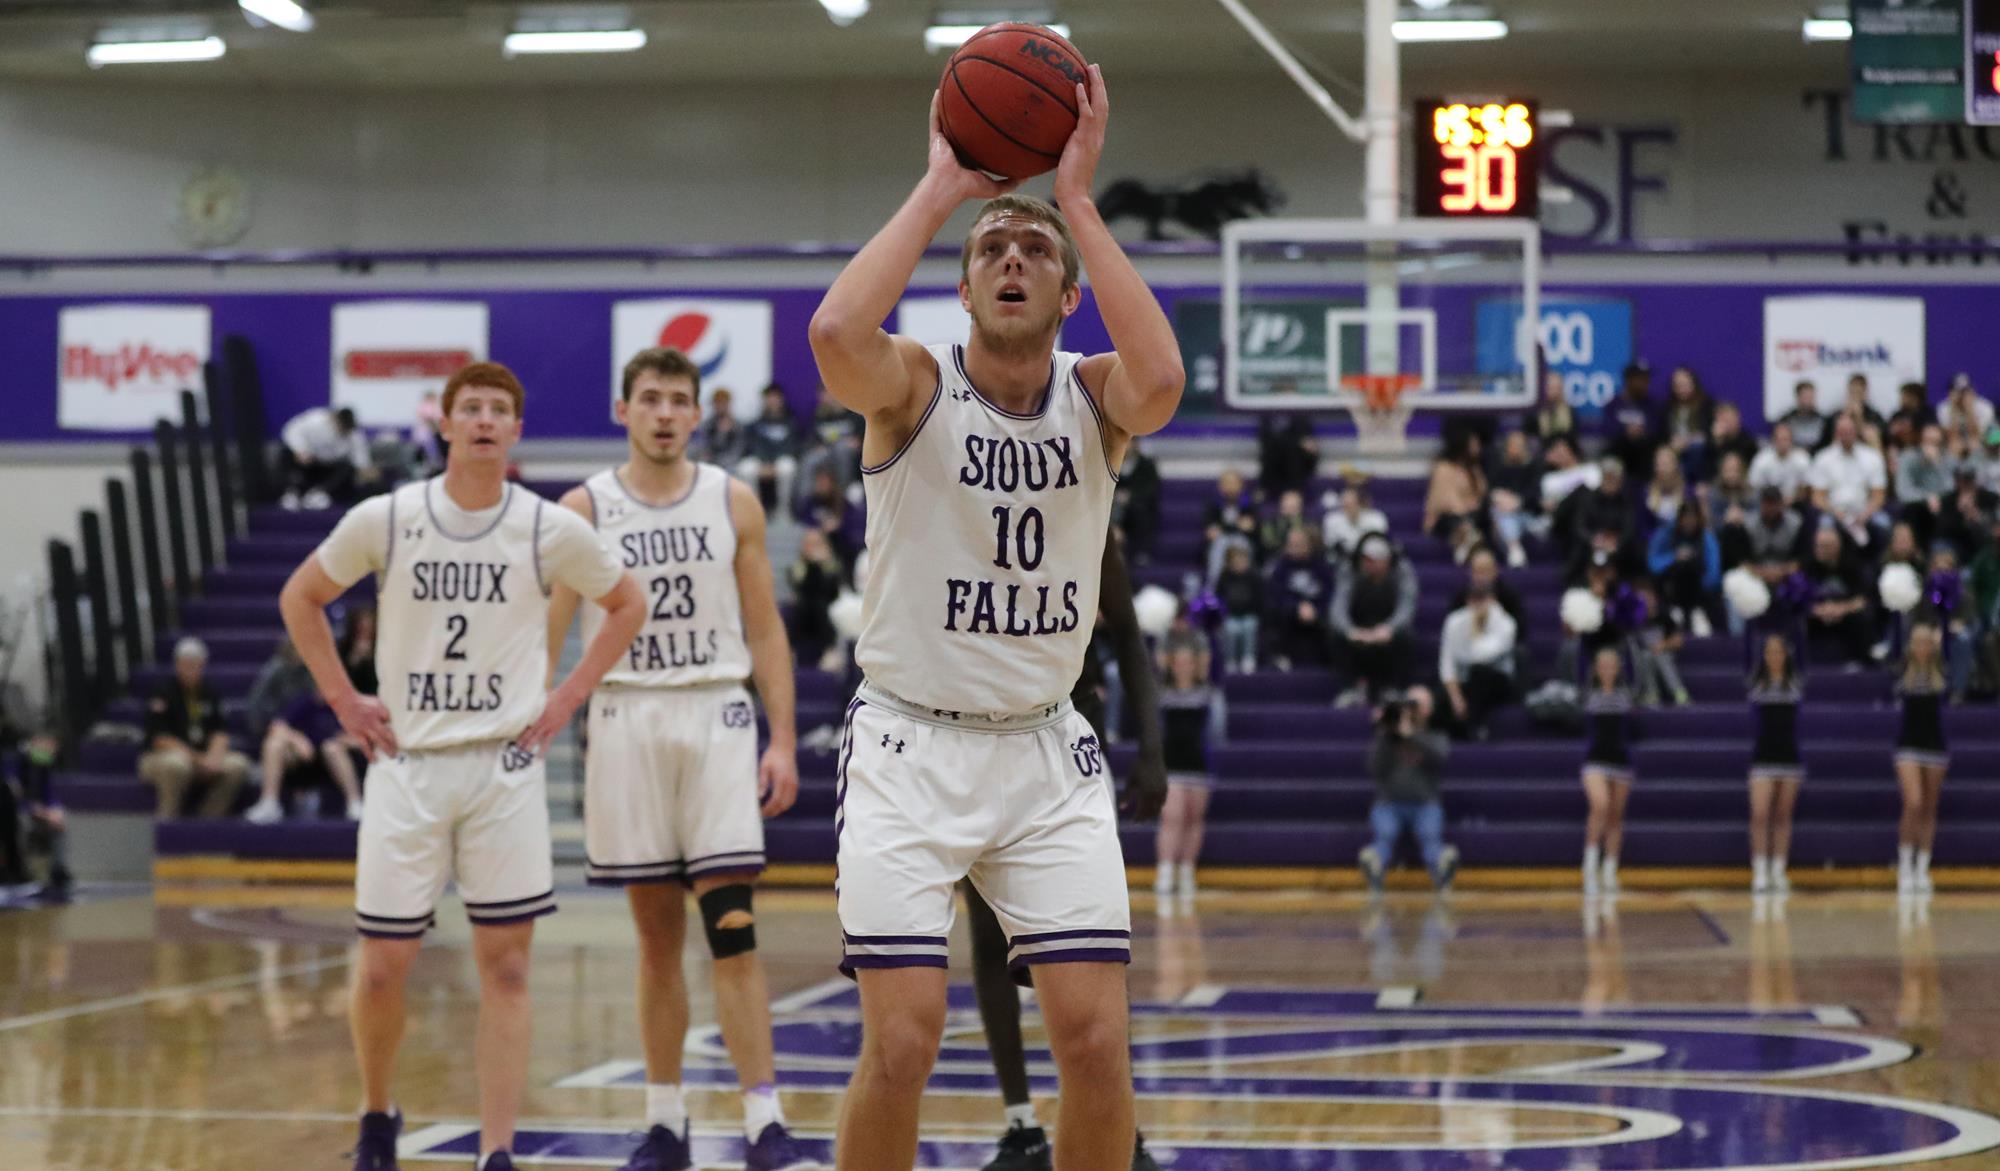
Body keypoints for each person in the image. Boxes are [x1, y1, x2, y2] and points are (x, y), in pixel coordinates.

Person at [806, 61, 1183, 1171]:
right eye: (990, 252)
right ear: (962, 290)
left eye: (1034, 255)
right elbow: (834, 335)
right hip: (906, 747)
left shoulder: (1095, 394)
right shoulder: (914, 385)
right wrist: (938, 193)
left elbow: (1163, 380)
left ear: (1069, 295)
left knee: (1097, 1043)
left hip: (1040, 751)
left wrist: (1075, 199)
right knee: (902, 1045)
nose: (1009, 260)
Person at [278, 361, 646, 1171]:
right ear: (444, 425)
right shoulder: (390, 515)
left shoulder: (548, 526)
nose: (483, 419)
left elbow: (628, 602)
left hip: (501, 768)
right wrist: (343, 699)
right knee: (381, 968)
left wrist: (568, 695)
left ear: (517, 430)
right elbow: (300, 597)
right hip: (407, 762)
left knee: (507, 965)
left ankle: (497, 1148)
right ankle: (378, 1113)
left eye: (498, 410)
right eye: (469, 408)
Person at [546, 346, 815, 1171]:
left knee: (732, 927)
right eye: (651, 398)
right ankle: (666, 1120)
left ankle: (764, 1117)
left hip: (715, 714)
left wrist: (781, 736)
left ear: (698, 415)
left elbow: (766, 627)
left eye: (679, 400)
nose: (665, 412)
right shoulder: (582, 508)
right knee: (656, 938)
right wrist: (523, 723)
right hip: (624, 714)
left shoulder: (731, 500)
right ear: (623, 410)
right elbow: (547, 633)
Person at [963, 527, 1165, 1171]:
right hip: (971, 739)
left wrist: (1153, 750)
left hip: (1066, 736)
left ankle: (1119, 1127)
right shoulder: (959, 500)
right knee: (990, 940)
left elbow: (1128, 633)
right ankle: (1021, 1125)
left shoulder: (1083, 501)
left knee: (1095, 950)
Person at [1357, 686, 1458, 894]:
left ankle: (1441, 866)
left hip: (1425, 804)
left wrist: (1411, 735)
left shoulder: (1435, 737)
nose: (1412, 710)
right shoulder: (1387, 739)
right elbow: (1374, 768)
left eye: (1418, 705)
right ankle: (1374, 863)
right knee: (1385, 834)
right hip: (1389, 803)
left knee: (1430, 837)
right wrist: (1384, 732)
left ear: (1429, 710)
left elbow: (1439, 758)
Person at [137, 636, 250, 819]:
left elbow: (220, 731)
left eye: (195, 664)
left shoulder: (210, 692)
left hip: (202, 756)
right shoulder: (163, 692)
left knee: (238, 765)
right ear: (177, 664)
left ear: (203, 665)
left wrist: (214, 757)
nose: (191, 669)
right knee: (177, 765)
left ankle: (208, 820)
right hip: (163, 757)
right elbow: (160, 738)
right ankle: (168, 819)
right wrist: (198, 759)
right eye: (186, 664)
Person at [1153, 645, 1219, 899]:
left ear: (1195, 665)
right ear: (1172, 665)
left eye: (1188, 662)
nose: (1183, 666)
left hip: (1198, 763)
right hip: (1171, 763)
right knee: (1172, 818)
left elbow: (1216, 730)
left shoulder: (1207, 694)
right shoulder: (1163, 694)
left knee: (1194, 818)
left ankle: (1187, 871)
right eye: (1178, 662)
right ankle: (1165, 871)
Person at [1893, 621, 1950, 895]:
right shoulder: (1903, 670)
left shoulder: (1941, 671)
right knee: (1913, 802)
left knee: (1929, 807)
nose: (1921, 647)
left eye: (1927, 641)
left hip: (1935, 746)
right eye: (1917, 642)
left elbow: (1947, 627)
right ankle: (1905, 864)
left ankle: (1922, 868)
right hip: (1908, 746)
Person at [1329, 532, 1417, 705]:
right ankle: (1349, 687)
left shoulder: (1402, 570)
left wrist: (1389, 628)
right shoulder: (1350, 569)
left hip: (1387, 629)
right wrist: (1350, 631)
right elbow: (1338, 606)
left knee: (1406, 635)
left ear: (1386, 561)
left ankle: (1393, 688)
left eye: (1373, 561)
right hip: (1358, 627)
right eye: (1365, 560)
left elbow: (1407, 607)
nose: (1368, 565)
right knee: (1334, 633)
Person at [1747, 633, 1804, 895]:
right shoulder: (1756, 683)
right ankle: (1760, 869)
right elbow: (1748, 647)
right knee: (1760, 815)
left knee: (1782, 815)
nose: (1774, 656)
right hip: (1762, 757)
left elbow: (1803, 649)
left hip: (1789, 756)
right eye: (1769, 651)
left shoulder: (1795, 682)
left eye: (1779, 651)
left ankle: (1778, 870)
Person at [1580, 646, 1635, 895]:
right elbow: (1581, 657)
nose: (1607, 670)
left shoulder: (1626, 694)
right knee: (1600, 805)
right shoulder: (1589, 694)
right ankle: (1590, 864)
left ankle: (1610, 868)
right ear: (1595, 669)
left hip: (1621, 761)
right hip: (1595, 760)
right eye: (1602, 666)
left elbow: (1636, 669)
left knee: (1615, 816)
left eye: (1611, 666)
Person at [1437, 583, 1517, 740]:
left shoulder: (1506, 624)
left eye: (1483, 599)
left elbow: (1480, 655)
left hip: (1497, 681)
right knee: (1440, 695)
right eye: (1474, 599)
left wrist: (1475, 628)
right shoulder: (1454, 621)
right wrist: (1455, 696)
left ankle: (1475, 729)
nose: (1478, 604)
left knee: (1480, 673)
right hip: (1465, 680)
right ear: (1467, 600)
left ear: (1493, 600)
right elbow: (1446, 662)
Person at [1810, 414, 1889, 547]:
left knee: (1884, 524)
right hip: (1834, 512)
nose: (1846, 435)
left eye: (1849, 431)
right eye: (1842, 432)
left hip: (1864, 511)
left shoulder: (1872, 457)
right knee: (1823, 526)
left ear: (1856, 432)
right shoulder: (1823, 458)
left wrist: (1865, 515)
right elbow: (1818, 497)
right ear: (1836, 433)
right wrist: (1837, 514)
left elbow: (1878, 496)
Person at [1263, 527, 1334, 671]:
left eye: (1299, 544)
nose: (1294, 548)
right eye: (1291, 544)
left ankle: (1328, 664)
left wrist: (1315, 608)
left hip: (1317, 611)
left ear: (1309, 545)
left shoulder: (1321, 565)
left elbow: (1329, 592)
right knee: (1277, 613)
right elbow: (1278, 593)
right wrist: (1298, 606)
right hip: (1291, 611)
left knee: (1331, 621)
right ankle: (1280, 657)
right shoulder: (1281, 566)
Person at [279, 405, 374, 510]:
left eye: (346, 430)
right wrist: (300, 450)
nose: (343, 432)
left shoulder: (354, 436)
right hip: (307, 463)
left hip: (326, 471)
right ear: (335, 420)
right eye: (341, 427)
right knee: (286, 453)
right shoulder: (315, 420)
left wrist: (365, 470)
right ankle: (292, 492)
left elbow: (361, 460)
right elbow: (291, 430)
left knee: (346, 467)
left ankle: (318, 494)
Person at [1423, 429, 1487, 565]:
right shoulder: (1443, 468)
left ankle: (1466, 545)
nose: (1478, 447)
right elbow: (1444, 500)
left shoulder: (1474, 469)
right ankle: (1467, 539)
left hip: (1471, 515)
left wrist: (1473, 508)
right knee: (1458, 520)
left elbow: (1482, 493)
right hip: (1446, 517)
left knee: (1481, 517)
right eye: (1474, 444)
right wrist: (1465, 512)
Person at [739, 384, 801, 511]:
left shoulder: (791, 422)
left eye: (775, 397)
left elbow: (793, 447)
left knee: (787, 467)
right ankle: (754, 509)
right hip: (762, 462)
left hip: (780, 461)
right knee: (746, 468)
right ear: (764, 400)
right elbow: (753, 445)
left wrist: (773, 465)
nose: (772, 401)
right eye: (769, 397)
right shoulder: (757, 423)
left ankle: (784, 511)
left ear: (781, 400)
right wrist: (764, 463)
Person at [1214, 543, 1263, 675]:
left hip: (1249, 615)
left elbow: (1260, 599)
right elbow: (1218, 599)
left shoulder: (1254, 577)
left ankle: (1249, 658)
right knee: (1231, 629)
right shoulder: (1224, 578)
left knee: (1250, 626)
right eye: (1237, 562)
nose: (1240, 565)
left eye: (1243, 561)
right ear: (1230, 563)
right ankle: (1230, 660)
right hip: (1230, 616)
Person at [1114, 437, 1161, 565]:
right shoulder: (1112, 462)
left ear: (1135, 444)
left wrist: (1131, 496)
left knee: (1139, 511)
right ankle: (1115, 550)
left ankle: (1142, 551)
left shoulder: (1146, 464)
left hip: (1139, 504)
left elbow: (1151, 488)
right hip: (1117, 504)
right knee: (1113, 509)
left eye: (1129, 442)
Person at [1320, 480, 1389, 560]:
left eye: (1352, 503)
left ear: (1361, 503)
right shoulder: (1331, 519)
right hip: (1342, 560)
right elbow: (1330, 545)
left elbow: (1379, 544)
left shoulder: (1376, 518)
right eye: (1345, 504)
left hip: (1369, 559)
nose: (1348, 507)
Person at [1748, 421, 1813, 505]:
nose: (1782, 443)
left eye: (1785, 439)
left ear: (1791, 440)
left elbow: (1807, 487)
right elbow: (1754, 486)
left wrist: (1792, 499)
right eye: (1779, 439)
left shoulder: (1802, 459)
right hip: (1767, 503)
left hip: (1795, 502)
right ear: (1773, 440)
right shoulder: (1762, 459)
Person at [1777, 380, 1829, 452]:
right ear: (1798, 397)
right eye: (1806, 397)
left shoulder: (1823, 420)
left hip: (1817, 456)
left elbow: (1826, 444)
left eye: (1811, 397)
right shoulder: (1787, 420)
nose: (1809, 400)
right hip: (1794, 457)